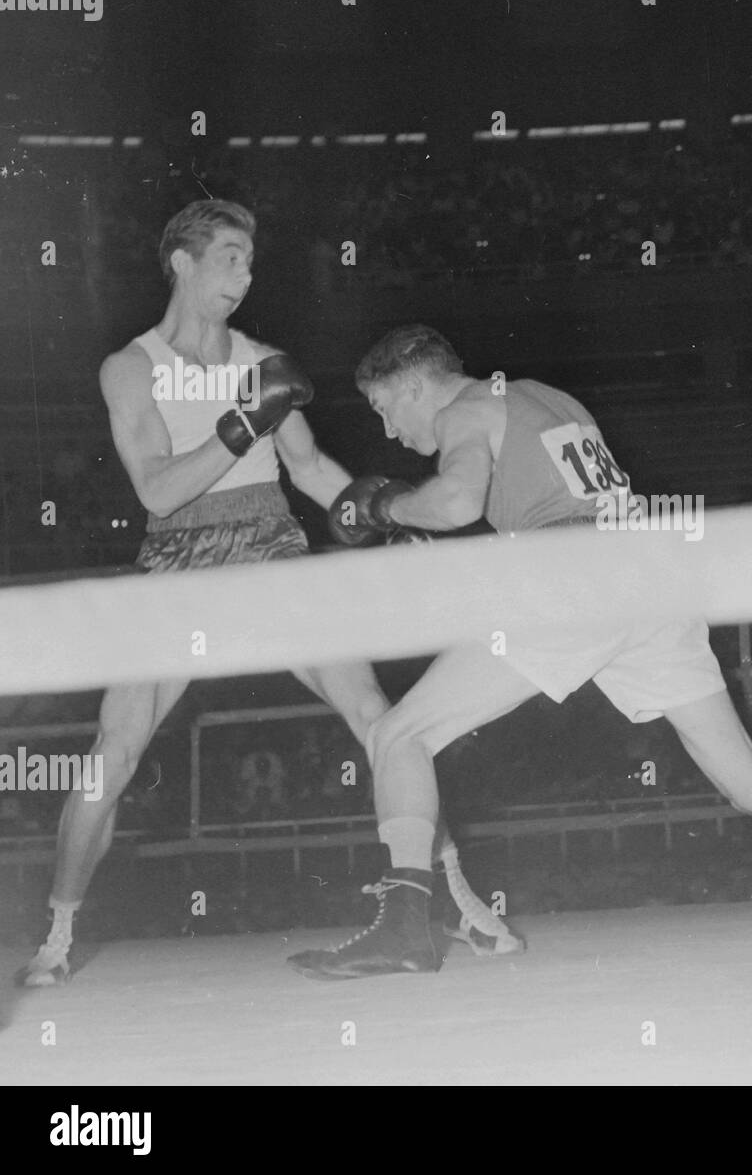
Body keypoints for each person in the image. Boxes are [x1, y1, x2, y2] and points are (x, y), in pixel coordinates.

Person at [288, 324, 752, 979]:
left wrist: (385, 504)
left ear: (415, 382)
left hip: (578, 579)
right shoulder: (551, 398)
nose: (388, 430)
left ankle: (406, 929)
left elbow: (457, 503)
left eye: (387, 407)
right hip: (650, 581)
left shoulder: (464, 409)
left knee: (396, 732)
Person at [20, 203, 515, 988]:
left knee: (381, 720)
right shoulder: (132, 368)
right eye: (227, 257)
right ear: (180, 262)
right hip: (176, 560)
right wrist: (242, 421)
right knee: (108, 758)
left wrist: (386, 515)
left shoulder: (265, 359)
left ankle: (455, 899)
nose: (244, 277)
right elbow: (156, 491)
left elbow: (313, 469)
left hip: (271, 548)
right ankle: (57, 932)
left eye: (250, 262)